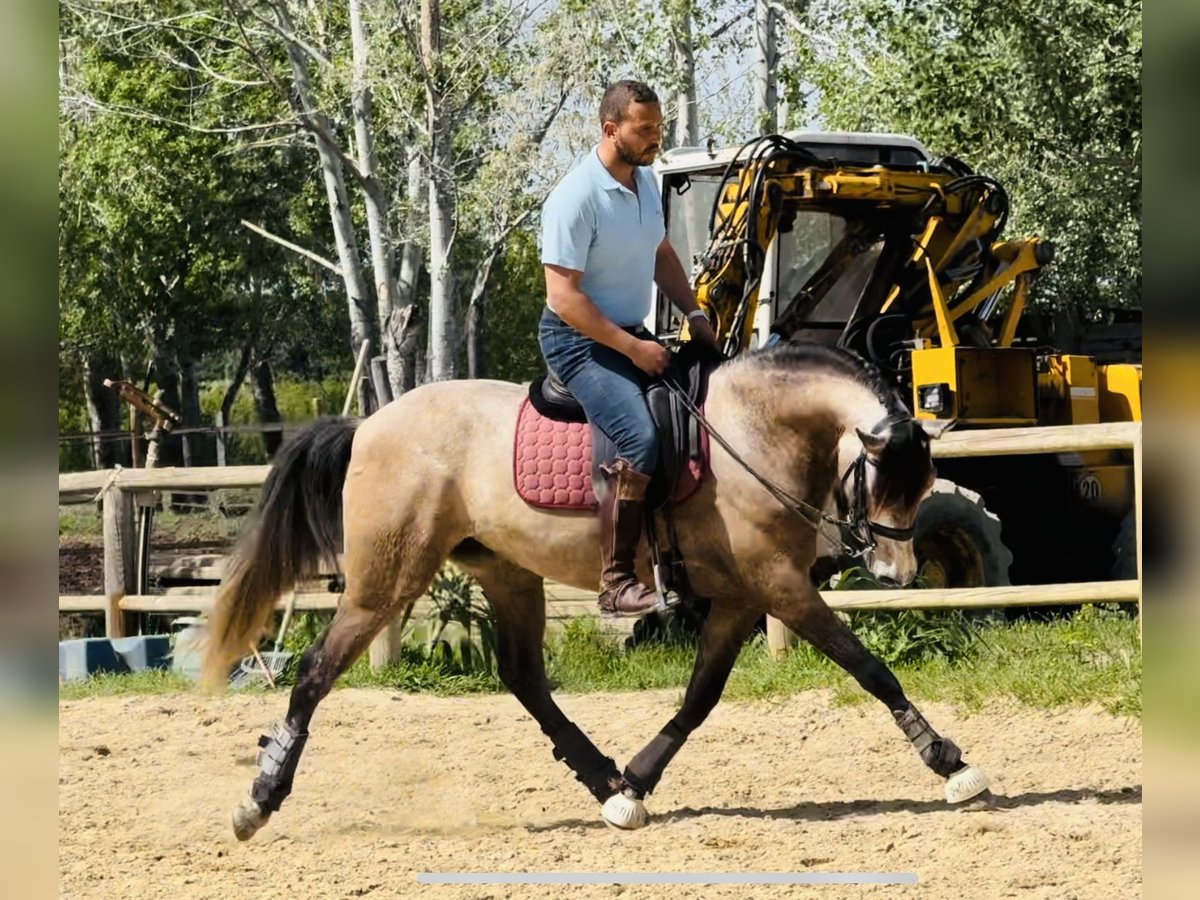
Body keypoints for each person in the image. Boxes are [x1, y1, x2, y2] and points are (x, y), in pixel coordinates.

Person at [538, 80, 718, 617]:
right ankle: (615, 581)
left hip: (626, 332)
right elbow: (563, 297)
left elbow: (660, 253)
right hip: (577, 341)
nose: (655, 138)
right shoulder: (576, 196)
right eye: (645, 130)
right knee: (637, 438)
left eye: (659, 128)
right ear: (611, 129)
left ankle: (677, 561)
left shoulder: (646, 183)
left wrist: (695, 313)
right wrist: (635, 350)